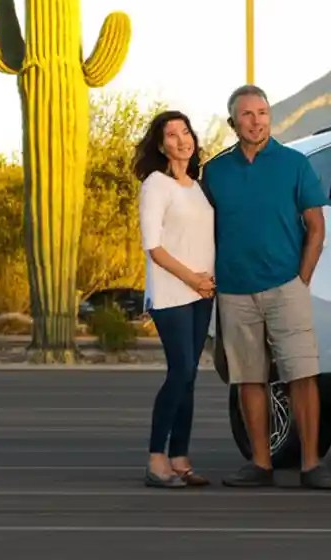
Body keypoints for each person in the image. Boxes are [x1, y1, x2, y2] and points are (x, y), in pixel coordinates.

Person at [201, 84, 331, 490]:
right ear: (233, 123)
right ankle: (260, 464)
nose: (256, 121)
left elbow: (316, 227)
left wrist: (301, 279)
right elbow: (201, 228)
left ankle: (312, 464)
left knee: (302, 373)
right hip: (234, 291)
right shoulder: (215, 172)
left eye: (262, 113)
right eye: (247, 114)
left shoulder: (294, 164)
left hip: (286, 286)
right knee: (248, 377)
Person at [132, 110, 217, 489]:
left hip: (202, 292)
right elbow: (154, 247)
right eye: (172, 135)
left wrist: (206, 281)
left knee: (189, 377)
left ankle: (180, 458)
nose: (182, 140)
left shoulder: (197, 186)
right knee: (180, 372)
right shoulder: (156, 184)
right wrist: (193, 278)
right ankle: (156, 459)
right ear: (161, 145)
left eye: (186, 132)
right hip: (172, 293)